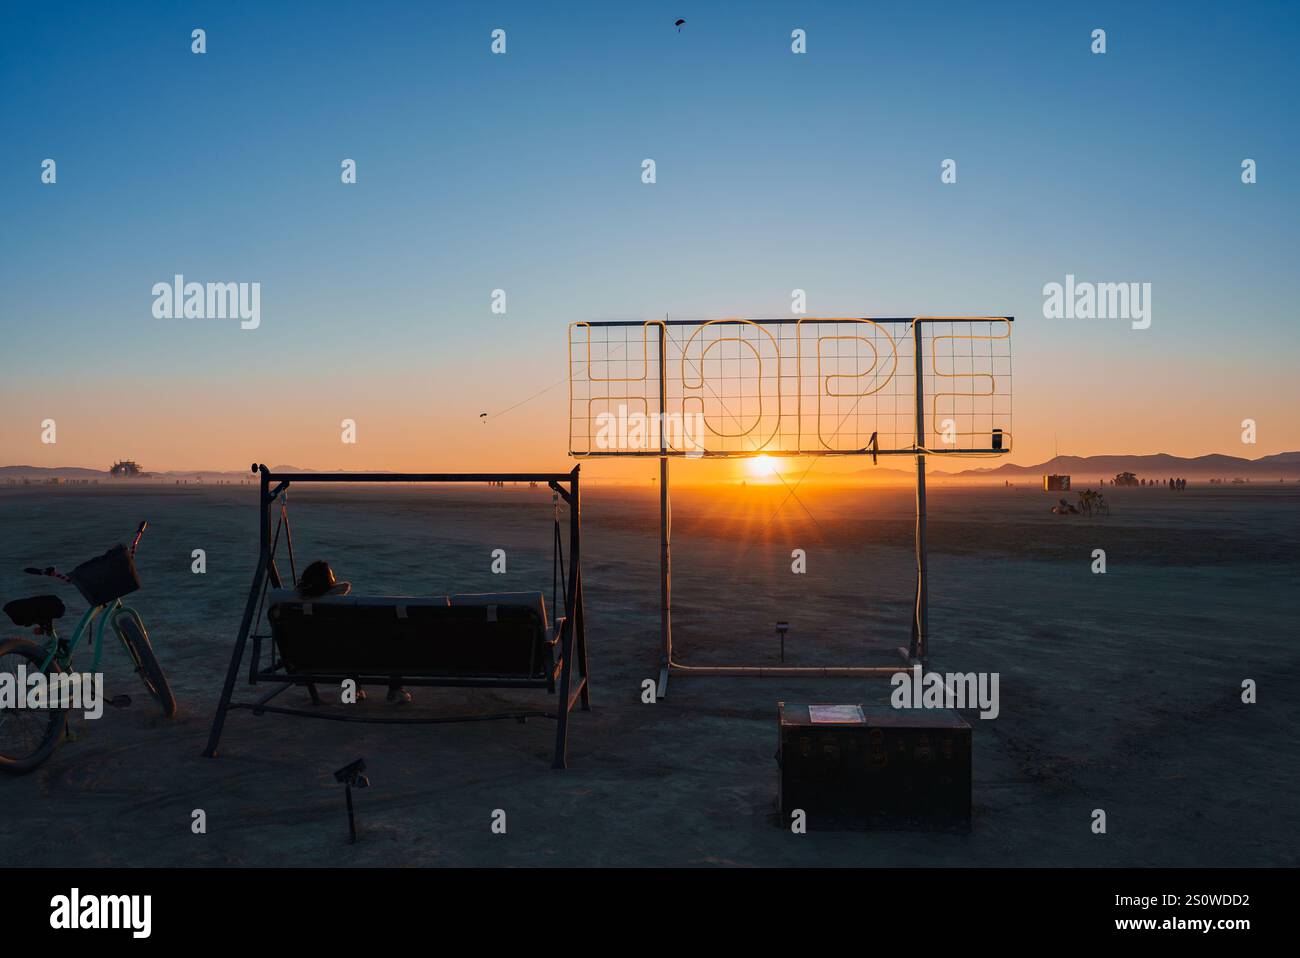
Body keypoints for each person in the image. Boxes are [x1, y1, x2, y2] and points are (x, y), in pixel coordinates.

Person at [297, 561, 411, 705]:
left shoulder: (294, 607)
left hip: (313, 657)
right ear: (329, 582)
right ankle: (395, 690)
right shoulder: (339, 606)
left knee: (344, 646)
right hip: (360, 656)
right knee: (389, 641)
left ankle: (351, 692)